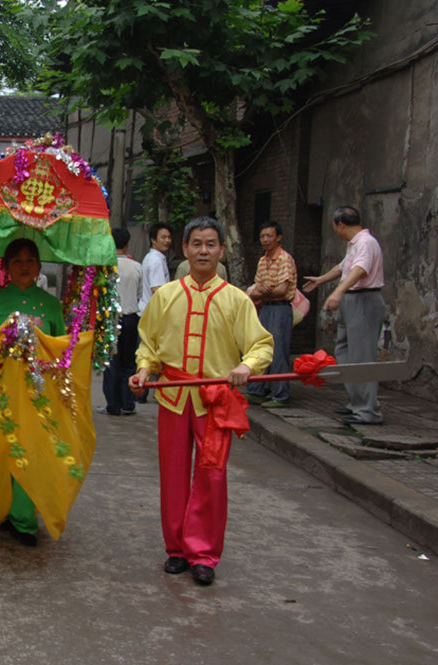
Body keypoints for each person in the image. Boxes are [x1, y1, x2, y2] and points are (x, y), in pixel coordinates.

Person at [130, 217, 272, 586]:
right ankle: (176, 548)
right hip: (174, 397)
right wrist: (145, 370)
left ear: (222, 250)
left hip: (214, 401)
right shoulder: (166, 296)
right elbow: (149, 343)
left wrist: (245, 365)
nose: (203, 250)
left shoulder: (236, 300)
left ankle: (204, 554)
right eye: (196, 243)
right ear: (185, 248)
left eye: (211, 244)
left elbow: (261, 344)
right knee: (173, 475)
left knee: (212, 477)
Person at [0, 238, 64, 546]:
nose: (25, 266)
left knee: (31, 452)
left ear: (40, 266)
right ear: (6, 267)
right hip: (1, 393)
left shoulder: (52, 306)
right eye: (17, 261)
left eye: (31, 260)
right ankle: (7, 509)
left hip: (39, 396)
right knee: (4, 451)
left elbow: (62, 351)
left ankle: (25, 520)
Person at [302, 206, 385, 425]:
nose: (335, 231)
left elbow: (359, 271)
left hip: (364, 300)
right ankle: (356, 403)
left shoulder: (366, 243)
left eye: (334, 227)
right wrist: (321, 280)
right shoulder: (354, 245)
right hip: (352, 300)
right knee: (346, 352)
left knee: (363, 356)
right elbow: (343, 267)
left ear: (341, 224)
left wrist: (338, 292)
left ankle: (368, 411)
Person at [245, 221, 297, 408]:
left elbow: (282, 290)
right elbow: (255, 290)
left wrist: (264, 291)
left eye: (269, 236)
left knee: (278, 351)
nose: (265, 240)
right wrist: (264, 291)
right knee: (260, 348)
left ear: (278, 237)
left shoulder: (284, 259)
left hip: (281, 308)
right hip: (266, 308)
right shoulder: (262, 260)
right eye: (262, 236)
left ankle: (281, 395)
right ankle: (257, 390)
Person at [100, 228, 142, 415]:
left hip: (110, 318)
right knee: (128, 362)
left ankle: (113, 405)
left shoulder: (106, 266)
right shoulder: (136, 267)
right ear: (127, 244)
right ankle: (128, 403)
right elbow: (140, 293)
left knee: (111, 363)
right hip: (131, 318)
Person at [136, 222, 173, 403]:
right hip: (154, 315)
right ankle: (148, 389)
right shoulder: (156, 260)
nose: (167, 241)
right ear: (153, 239)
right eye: (163, 237)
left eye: (168, 237)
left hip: (147, 312)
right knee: (153, 353)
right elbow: (158, 289)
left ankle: (143, 389)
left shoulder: (152, 258)